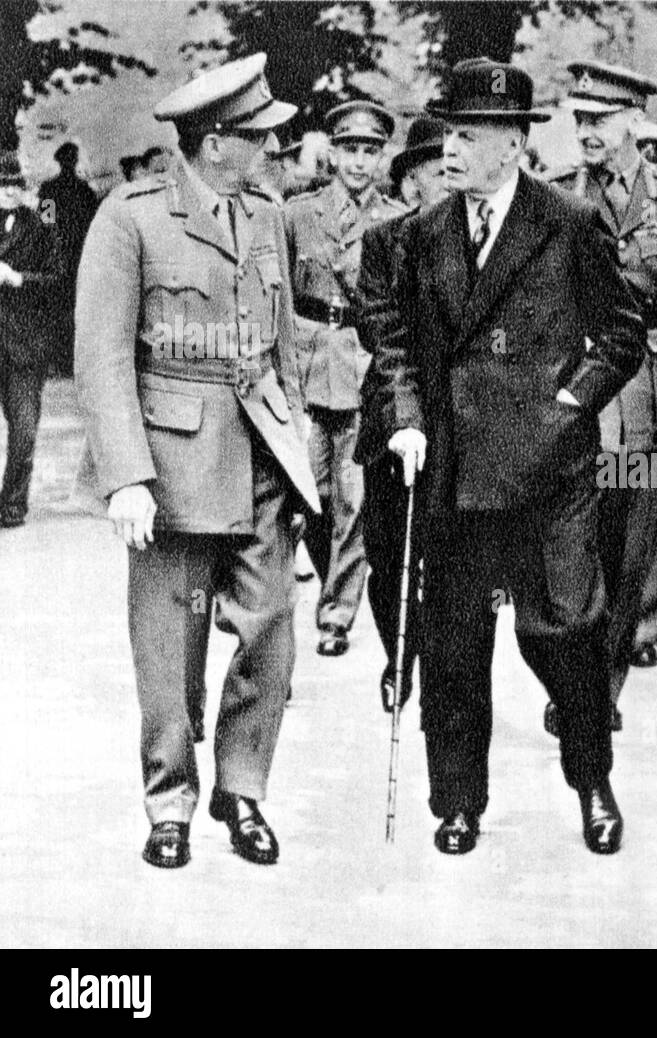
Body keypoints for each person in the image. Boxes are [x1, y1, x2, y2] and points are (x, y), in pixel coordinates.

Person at [371, 57, 644, 856]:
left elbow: (622, 333)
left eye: (466, 134)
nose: (447, 149)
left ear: (512, 143)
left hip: (551, 473)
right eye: (448, 132)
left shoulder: (567, 221)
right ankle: (457, 802)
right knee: (453, 645)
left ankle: (592, 780)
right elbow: (396, 344)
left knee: (565, 632)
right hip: (454, 470)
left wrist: (570, 403)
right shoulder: (421, 236)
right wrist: (406, 416)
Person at [72, 54, 317, 869]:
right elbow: (102, 358)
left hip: (260, 455)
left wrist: (302, 442)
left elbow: (282, 349)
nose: (273, 153)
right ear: (215, 145)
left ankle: (241, 788)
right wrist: (125, 475)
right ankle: (170, 799)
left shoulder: (268, 217)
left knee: (270, 633)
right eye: (259, 139)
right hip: (172, 463)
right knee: (170, 645)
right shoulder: (130, 217)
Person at [549, 60, 657, 693]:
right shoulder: (560, 193)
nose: (588, 131)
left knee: (644, 535)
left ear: (632, 122)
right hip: (595, 382)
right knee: (587, 533)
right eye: (581, 119)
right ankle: (580, 675)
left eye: (600, 119)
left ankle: (609, 676)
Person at [286, 99, 410, 657]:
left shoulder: (398, 220)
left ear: (383, 157)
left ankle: (336, 613)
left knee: (355, 499)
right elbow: (282, 293)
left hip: (365, 361)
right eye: (350, 149)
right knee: (309, 495)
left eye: (370, 150)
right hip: (310, 361)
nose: (359, 162)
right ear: (332, 152)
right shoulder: (297, 213)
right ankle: (329, 574)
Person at [355, 115, 446, 713]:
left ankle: (440, 662)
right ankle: (398, 653)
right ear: (411, 182)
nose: (450, 179)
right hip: (392, 415)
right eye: (436, 171)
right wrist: (403, 415)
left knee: (446, 559)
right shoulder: (386, 242)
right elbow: (377, 331)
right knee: (389, 558)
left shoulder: (484, 244)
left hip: (460, 424)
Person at [0, 151, 61, 528]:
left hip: (23, 345)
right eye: (1, 184)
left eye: (13, 184)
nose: (8, 191)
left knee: (23, 431)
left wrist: (17, 278)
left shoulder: (40, 223)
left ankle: (11, 505)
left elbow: (57, 279)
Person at [38, 142, 100, 373]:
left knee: (55, 307)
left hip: (57, 257)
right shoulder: (85, 191)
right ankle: (72, 359)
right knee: (76, 308)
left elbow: (46, 224)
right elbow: (92, 226)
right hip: (79, 257)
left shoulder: (48, 190)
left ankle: (57, 358)